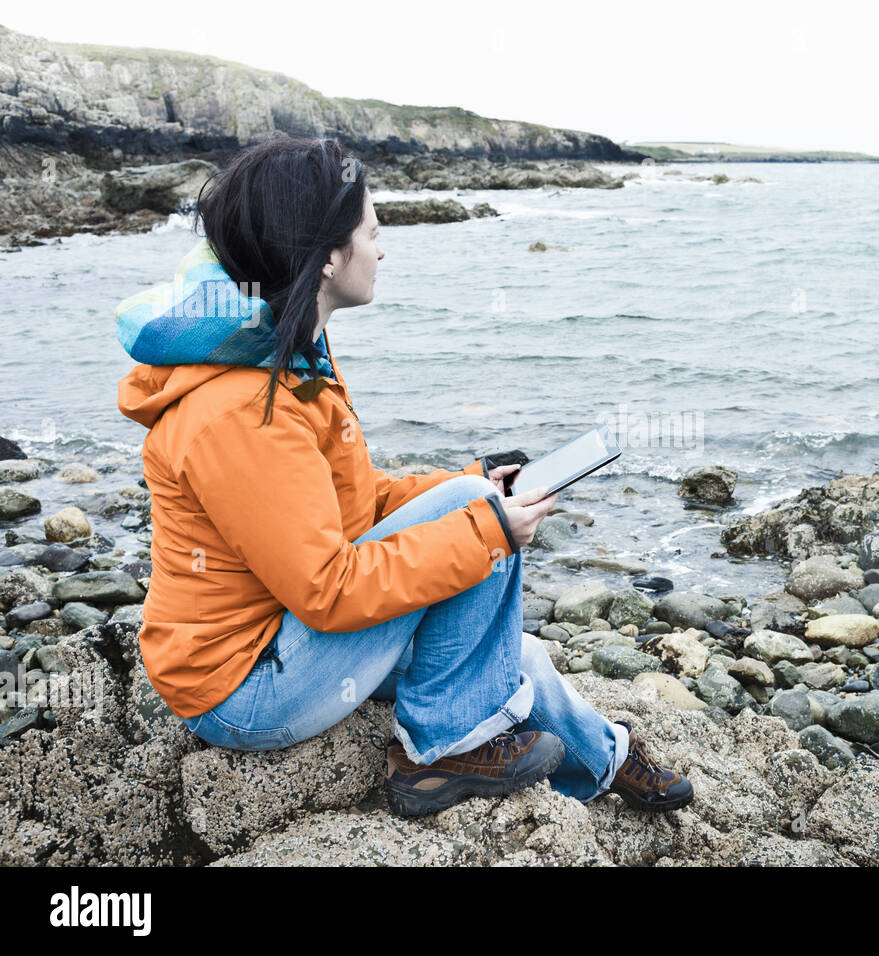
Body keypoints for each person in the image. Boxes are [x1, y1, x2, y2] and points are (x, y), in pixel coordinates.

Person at [114, 134, 693, 817]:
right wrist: (487, 528)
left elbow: (354, 503)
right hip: (243, 687)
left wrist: (475, 483)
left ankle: (607, 761)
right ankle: (442, 752)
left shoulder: (288, 361)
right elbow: (328, 590)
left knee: (509, 647)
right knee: (479, 529)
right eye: (372, 232)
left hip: (280, 640)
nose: (381, 250)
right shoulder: (243, 408)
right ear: (329, 256)